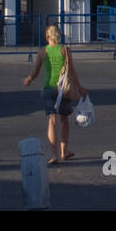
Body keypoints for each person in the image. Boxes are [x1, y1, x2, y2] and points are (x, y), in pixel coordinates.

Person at [23, 24, 88, 165]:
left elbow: (36, 71)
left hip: (48, 89)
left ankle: (54, 155)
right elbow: (72, 71)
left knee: (52, 121)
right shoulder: (65, 50)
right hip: (63, 90)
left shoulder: (43, 52)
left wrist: (29, 79)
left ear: (47, 37)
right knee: (64, 119)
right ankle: (64, 151)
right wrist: (79, 87)